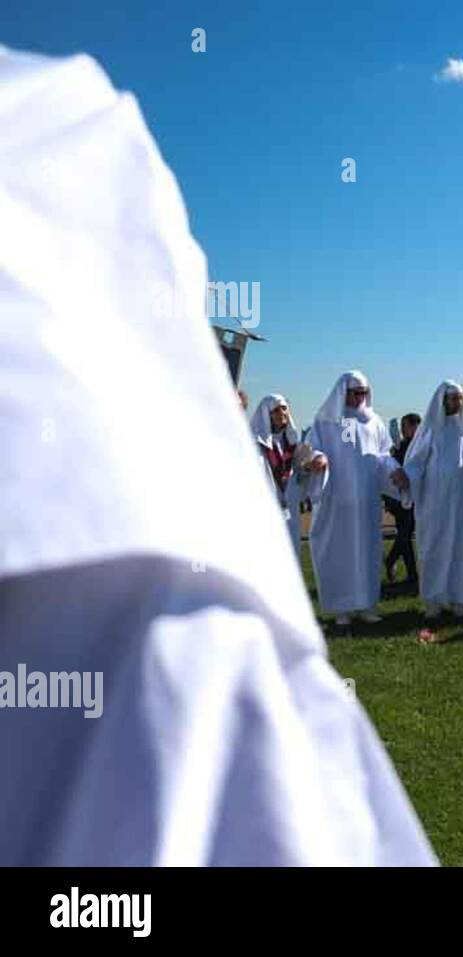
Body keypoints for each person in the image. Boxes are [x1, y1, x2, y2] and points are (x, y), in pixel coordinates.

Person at [0, 45, 434, 865]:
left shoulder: (361, 433)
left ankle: (364, 603)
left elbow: (372, 464)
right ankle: (345, 605)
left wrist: (380, 474)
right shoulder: (186, 629)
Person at [307, 371, 410, 627]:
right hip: (337, 502)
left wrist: (394, 469)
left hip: (366, 501)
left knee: (366, 551)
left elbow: (383, 454)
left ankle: (365, 605)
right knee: (340, 552)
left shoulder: (374, 422)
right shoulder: (326, 421)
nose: (360, 398)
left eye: (364, 393)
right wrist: (316, 458)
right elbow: (312, 447)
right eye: (355, 393)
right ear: (344, 393)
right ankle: (342, 608)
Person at [403, 382, 463, 619]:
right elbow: (415, 463)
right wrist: (407, 478)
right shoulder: (430, 431)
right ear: (443, 401)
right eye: (452, 398)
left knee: (462, 546)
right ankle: (434, 600)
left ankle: (459, 598)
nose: (456, 403)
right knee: (433, 547)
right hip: (435, 501)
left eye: (460, 398)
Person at [251, 394, 319, 547]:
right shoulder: (254, 445)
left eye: (284, 409)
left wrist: (308, 467)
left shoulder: (293, 445)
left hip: (290, 513)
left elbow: (300, 480)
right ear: (266, 415)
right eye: (276, 410)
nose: (281, 413)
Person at [383, 412, 420, 585]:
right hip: (401, 500)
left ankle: (394, 562)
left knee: (404, 536)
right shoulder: (401, 448)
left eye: (405, 427)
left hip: (415, 498)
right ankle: (410, 573)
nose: (403, 431)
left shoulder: (418, 447)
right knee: (404, 537)